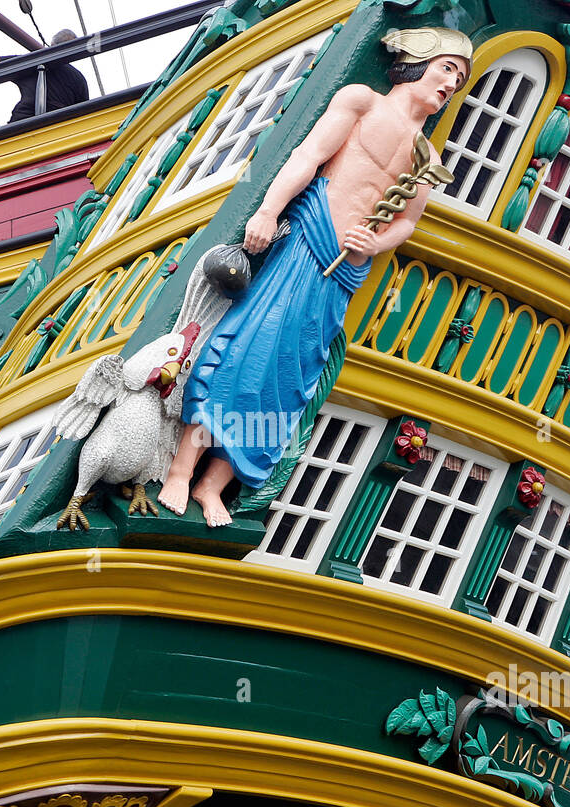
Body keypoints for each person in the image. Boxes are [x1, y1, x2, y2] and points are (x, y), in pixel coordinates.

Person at [156, 27, 472, 527]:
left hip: (344, 271)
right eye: (448, 68)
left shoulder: (426, 158)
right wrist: (267, 210)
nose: (452, 83)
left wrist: (377, 242)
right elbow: (308, 157)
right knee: (243, 349)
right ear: (417, 61)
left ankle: (214, 484)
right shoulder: (363, 102)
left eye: (460, 78)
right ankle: (180, 468)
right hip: (306, 243)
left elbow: (405, 221)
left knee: (289, 378)